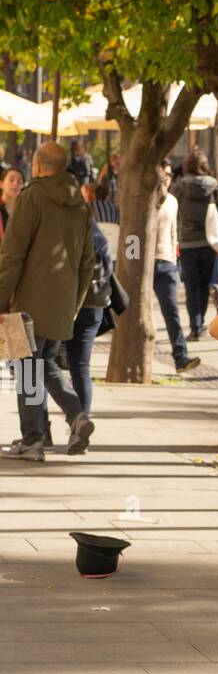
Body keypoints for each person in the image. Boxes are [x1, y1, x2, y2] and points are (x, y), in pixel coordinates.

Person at [0, 141, 95, 461]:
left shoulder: (31, 198)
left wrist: (1, 300)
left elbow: (12, 257)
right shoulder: (81, 205)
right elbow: (87, 263)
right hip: (62, 302)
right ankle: (77, 415)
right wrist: (74, 304)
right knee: (46, 365)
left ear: (37, 166)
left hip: (24, 303)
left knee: (25, 368)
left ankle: (32, 440)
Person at [171, 148, 218, 341]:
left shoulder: (179, 186)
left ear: (187, 165)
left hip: (187, 242)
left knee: (191, 286)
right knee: (205, 284)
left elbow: (171, 208)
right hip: (209, 241)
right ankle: (201, 323)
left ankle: (195, 326)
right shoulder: (213, 185)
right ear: (205, 165)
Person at [66, 207, 113, 449]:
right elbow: (109, 269)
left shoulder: (66, 233)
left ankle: (37, 431)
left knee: (38, 366)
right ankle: (79, 427)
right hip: (94, 306)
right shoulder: (98, 235)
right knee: (80, 368)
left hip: (65, 307)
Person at [153, 161, 200, 372]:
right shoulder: (143, 199)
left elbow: (173, 232)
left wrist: (173, 258)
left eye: (171, 175)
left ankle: (180, 357)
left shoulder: (172, 201)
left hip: (166, 262)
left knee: (171, 311)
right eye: (165, 174)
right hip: (143, 264)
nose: (168, 178)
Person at [0, 165, 24, 238]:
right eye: (11, 180)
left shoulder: (23, 211)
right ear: (1, 184)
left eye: (19, 182)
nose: (15, 184)